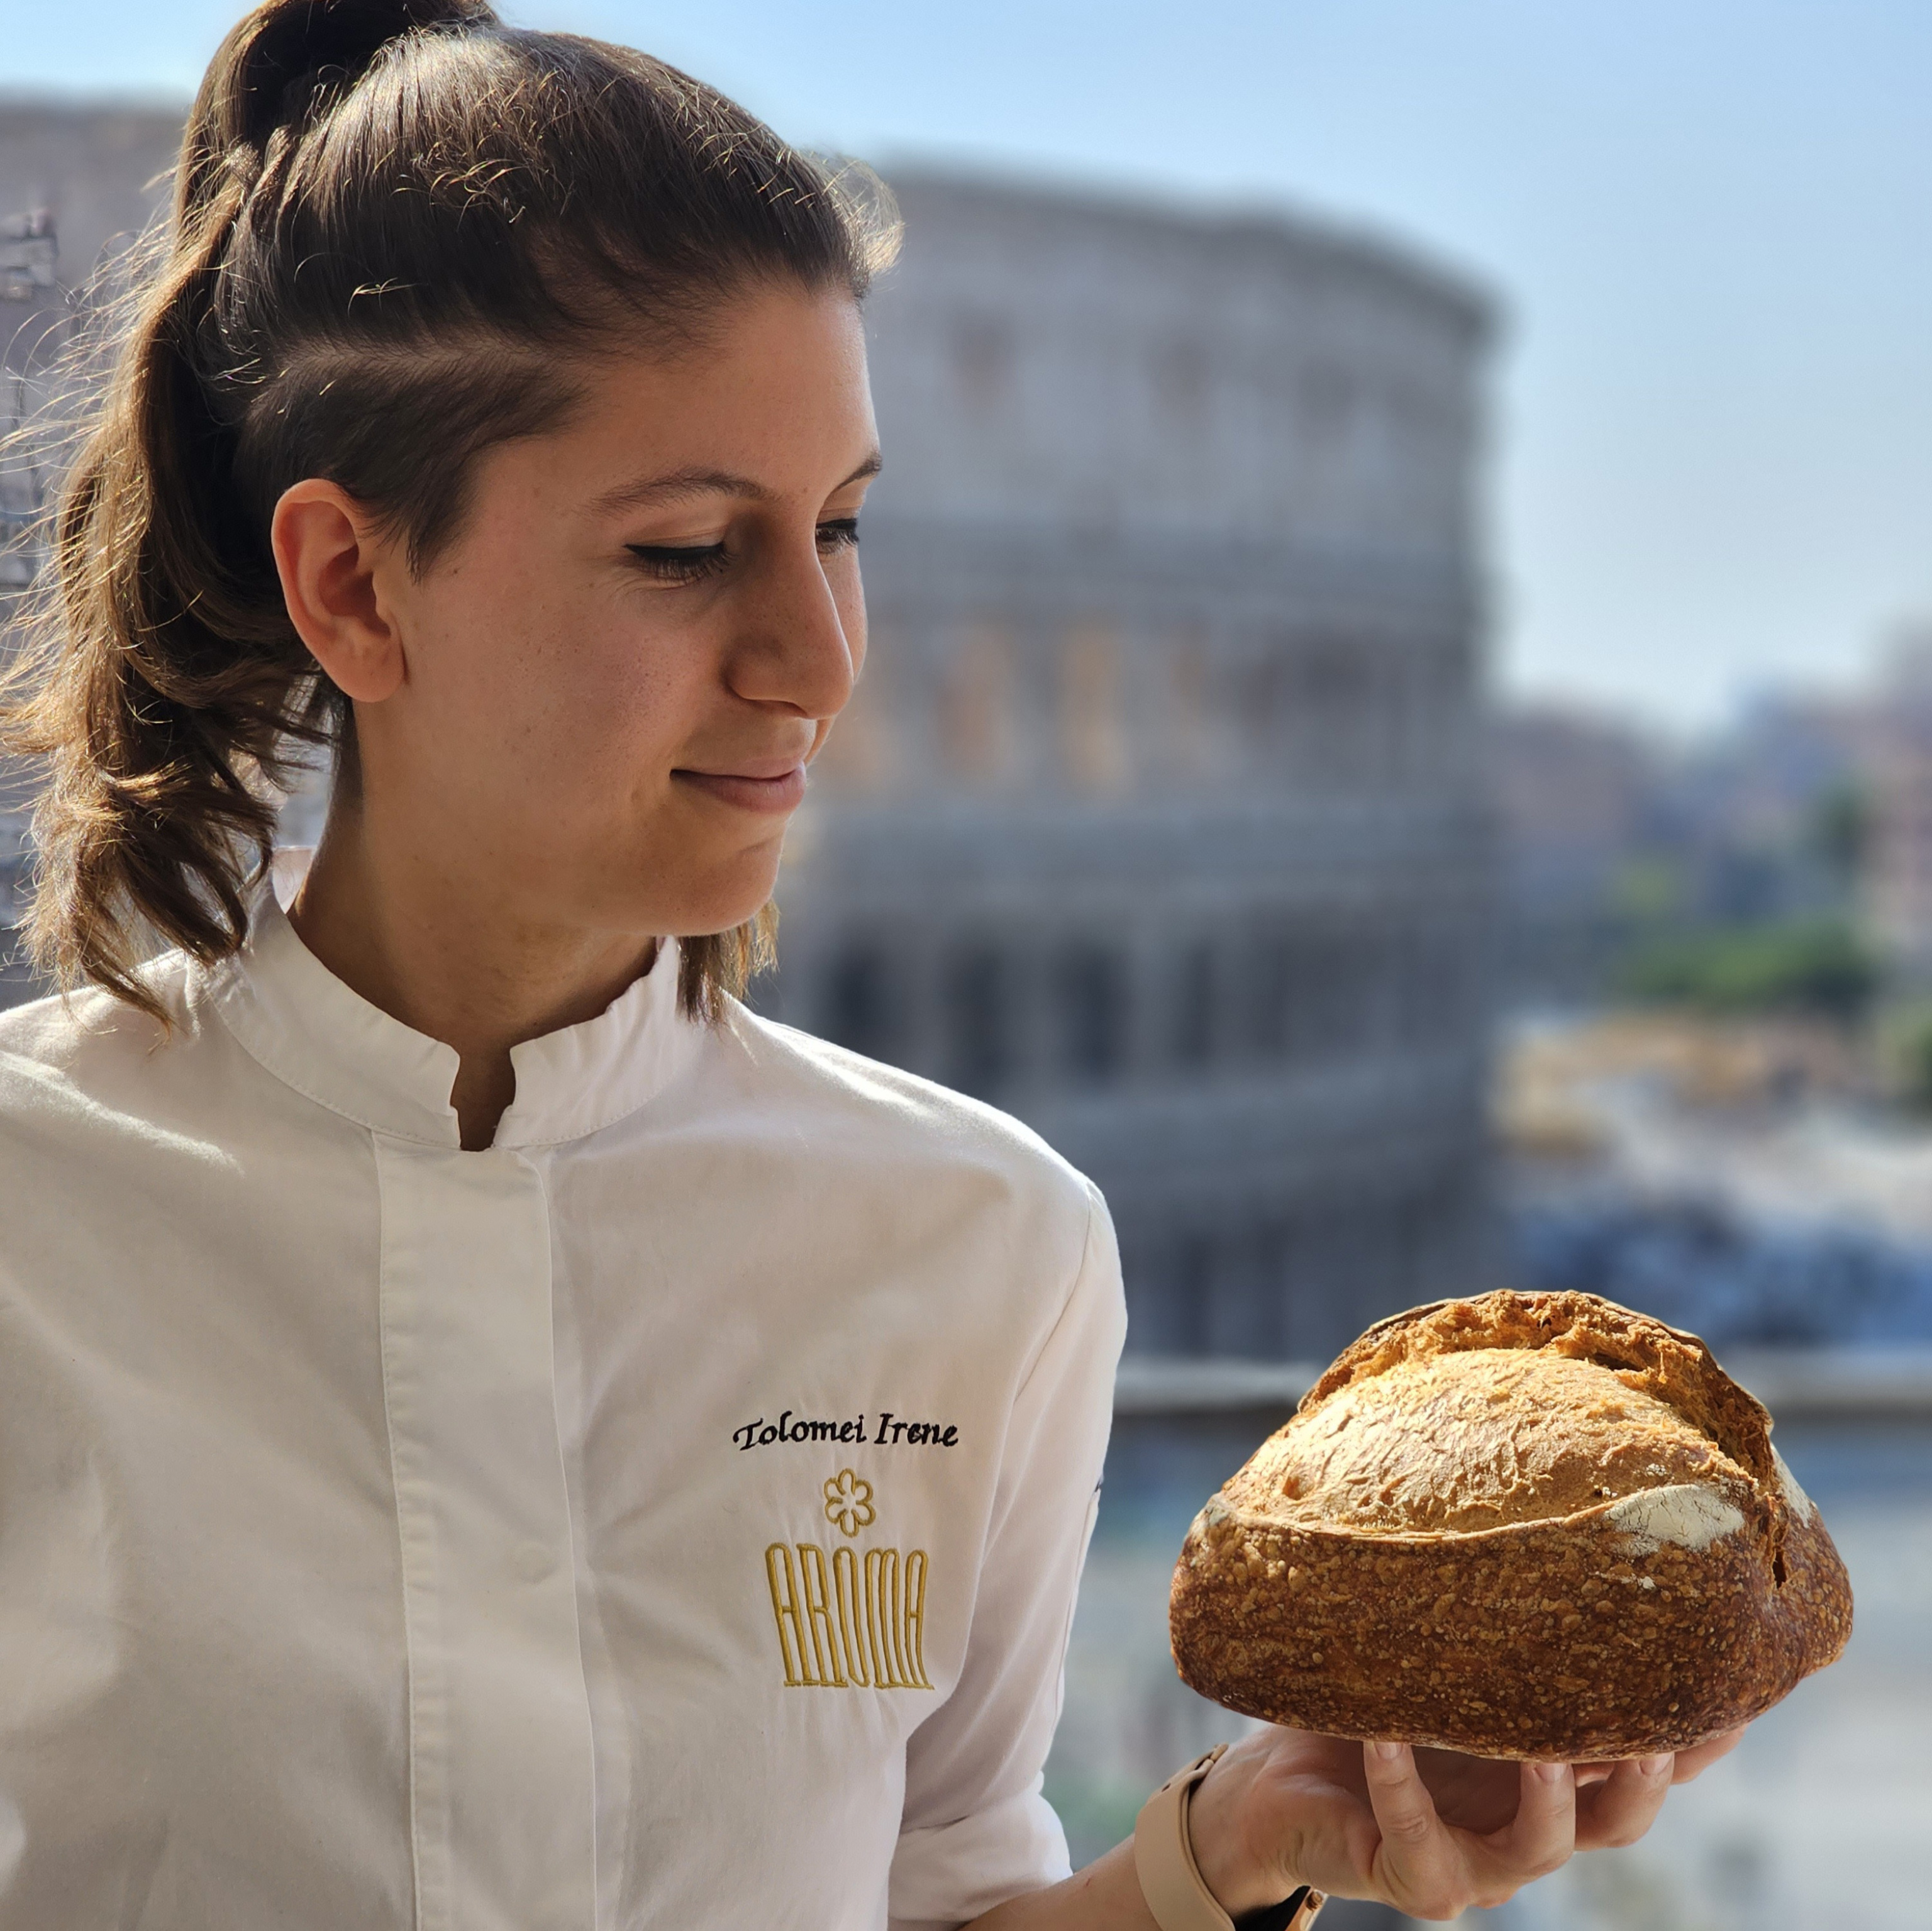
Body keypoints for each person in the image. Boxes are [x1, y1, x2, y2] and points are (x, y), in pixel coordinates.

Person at [0, 3, 1740, 1925]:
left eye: (838, 529)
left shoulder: (989, 1245)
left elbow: (938, 1894)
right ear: (353, 583)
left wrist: (1222, 1857)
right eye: (686, 550)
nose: (820, 660)